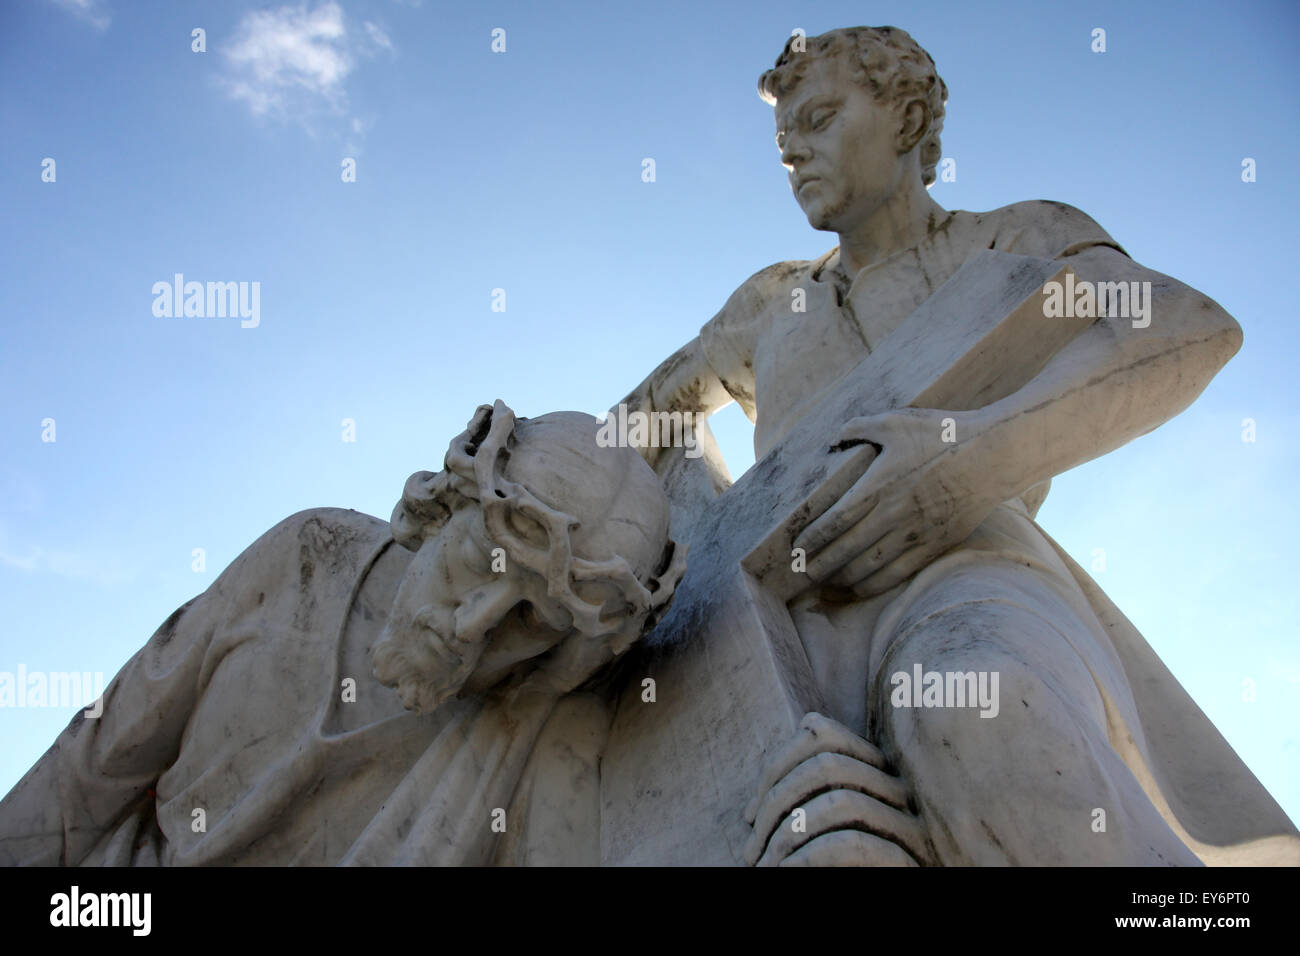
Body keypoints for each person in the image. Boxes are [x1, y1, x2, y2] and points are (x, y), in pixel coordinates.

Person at [621, 26, 1299, 865]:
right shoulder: (769, 305)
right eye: (783, 140)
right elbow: (642, 420)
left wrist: (969, 461)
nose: (794, 154)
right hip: (773, 647)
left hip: (965, 581)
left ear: (906, 118)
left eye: (821, 118)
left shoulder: (1015, 238)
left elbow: (1183, 324)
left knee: (971, 716)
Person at [0, 402, 684, 865]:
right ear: (451, 505)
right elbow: (92, 771)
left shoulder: (535, 748)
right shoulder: (308, 554)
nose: (474, 624)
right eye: (483, 561)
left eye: (531, 618)